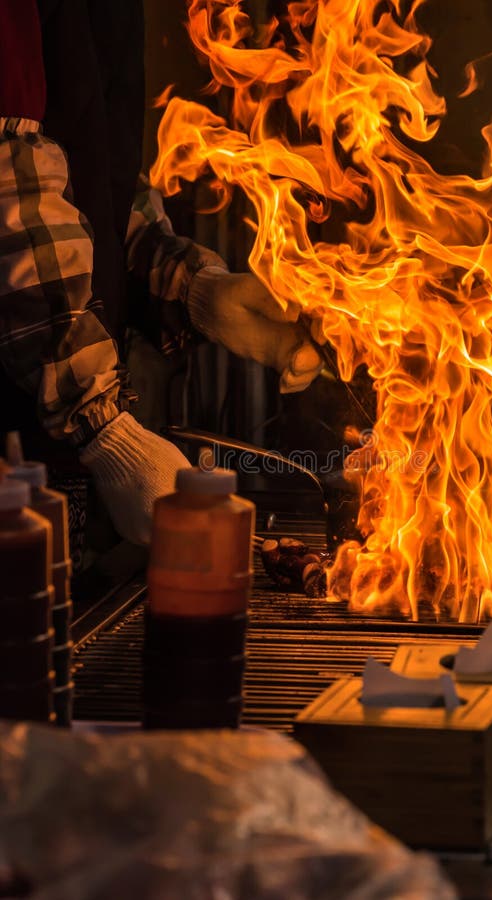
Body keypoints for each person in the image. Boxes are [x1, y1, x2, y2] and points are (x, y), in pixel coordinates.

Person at [0, 0, 323, 544]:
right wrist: (104, 427)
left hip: (57, 465)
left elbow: (92, 202)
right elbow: (10, 201)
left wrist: (196, 289)